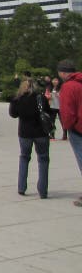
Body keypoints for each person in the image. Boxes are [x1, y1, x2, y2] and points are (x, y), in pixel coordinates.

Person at [9, 78, 50, 198]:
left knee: (24, 158)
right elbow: (48, 111)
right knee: (43, 159)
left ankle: (21, 187)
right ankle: (43, 190)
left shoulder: (18, 99)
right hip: (41, 132)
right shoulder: (41, 98)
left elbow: (13, 114)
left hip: (25, 133)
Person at [57, 59, 82, 207]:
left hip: (78, 128)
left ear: (62, 72)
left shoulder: (69, 87)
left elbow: (67, 111)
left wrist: (67, 126)